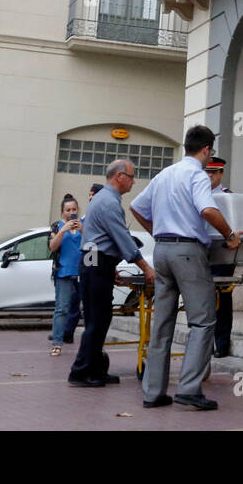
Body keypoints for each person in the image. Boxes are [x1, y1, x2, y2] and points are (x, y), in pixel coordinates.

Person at [129, 126, 243, 411]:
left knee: (163, 323)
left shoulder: (166, 174)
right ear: (206, 150)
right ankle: (189, 389)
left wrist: (158, 232)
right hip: (188, 253)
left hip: (163, 251)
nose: (211, 157)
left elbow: (136, 207)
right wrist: (230, 236)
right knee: (203, 321)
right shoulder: (197, 175)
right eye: (211, 152)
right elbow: (207, 210)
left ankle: (153, 391)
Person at [68, 159, 154, 387]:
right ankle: (80, 372)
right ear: (119, 176)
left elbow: (93, 241)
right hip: (94, 265)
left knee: (100, 319)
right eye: (132, 177)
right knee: (97, 321)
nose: (134, 182)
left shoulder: (104, 200)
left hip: (94, 263)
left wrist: (106, 267)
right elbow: (122, 238)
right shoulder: (108, 202)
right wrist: (145, 268)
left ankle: (95, 369)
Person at [206, 156, 235, 357]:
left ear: (221, 174)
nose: (210, 176)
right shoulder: (198, 193)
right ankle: (205, 342)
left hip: (223, 252)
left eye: (214, 173)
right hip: (202, 251)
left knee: (222, 297)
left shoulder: (228, 197)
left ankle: (222, 342)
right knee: (204, 299)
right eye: (206, 172)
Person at [47, 194, 83, 356]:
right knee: (62, 309)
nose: (71, 212)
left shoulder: (86, 226)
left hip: (84, 273)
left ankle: (91, 345)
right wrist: (62, 231)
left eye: (74, 209)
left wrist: (83, 230)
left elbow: (93, 246)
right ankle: (57, 342)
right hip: (64, 273)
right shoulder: (57, 227)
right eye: (68, 210)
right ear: (62, 212)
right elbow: (52, 247)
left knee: (87, 309)